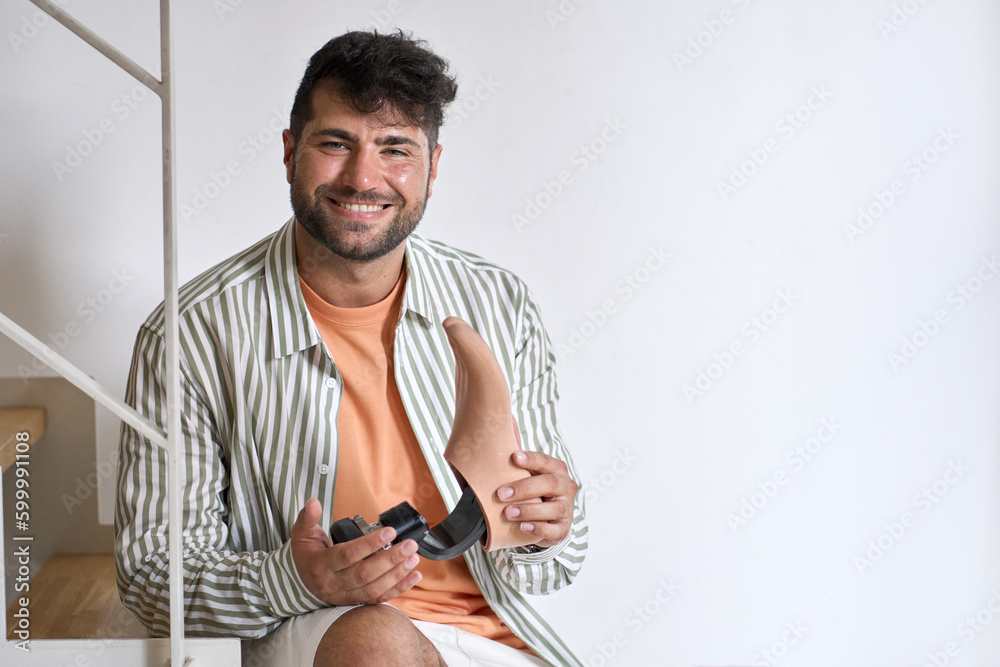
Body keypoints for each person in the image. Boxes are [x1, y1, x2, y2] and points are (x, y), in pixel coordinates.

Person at [115, 30, 587, 667]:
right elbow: (152, 580)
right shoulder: (191, 334)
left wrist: (547, 528)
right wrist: (299, 579)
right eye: (335, 143)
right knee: (377, 646)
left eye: (396, 149)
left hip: (490, 638)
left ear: (433, 167)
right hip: (315, 630)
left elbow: (550, 567)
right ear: (289, 152)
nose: (364, 177)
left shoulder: (498, 303)